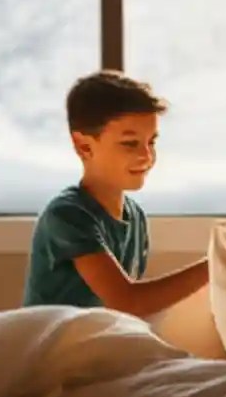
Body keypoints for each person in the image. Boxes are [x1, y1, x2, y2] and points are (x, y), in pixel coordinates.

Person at [22, 70, 208, 319]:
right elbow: (128, 301)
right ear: (84, 146)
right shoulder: (67, 215)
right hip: (55, 350)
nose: (147, 155)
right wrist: (216, 264)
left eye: (151, 142)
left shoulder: (136, 217)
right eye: (130, 143)